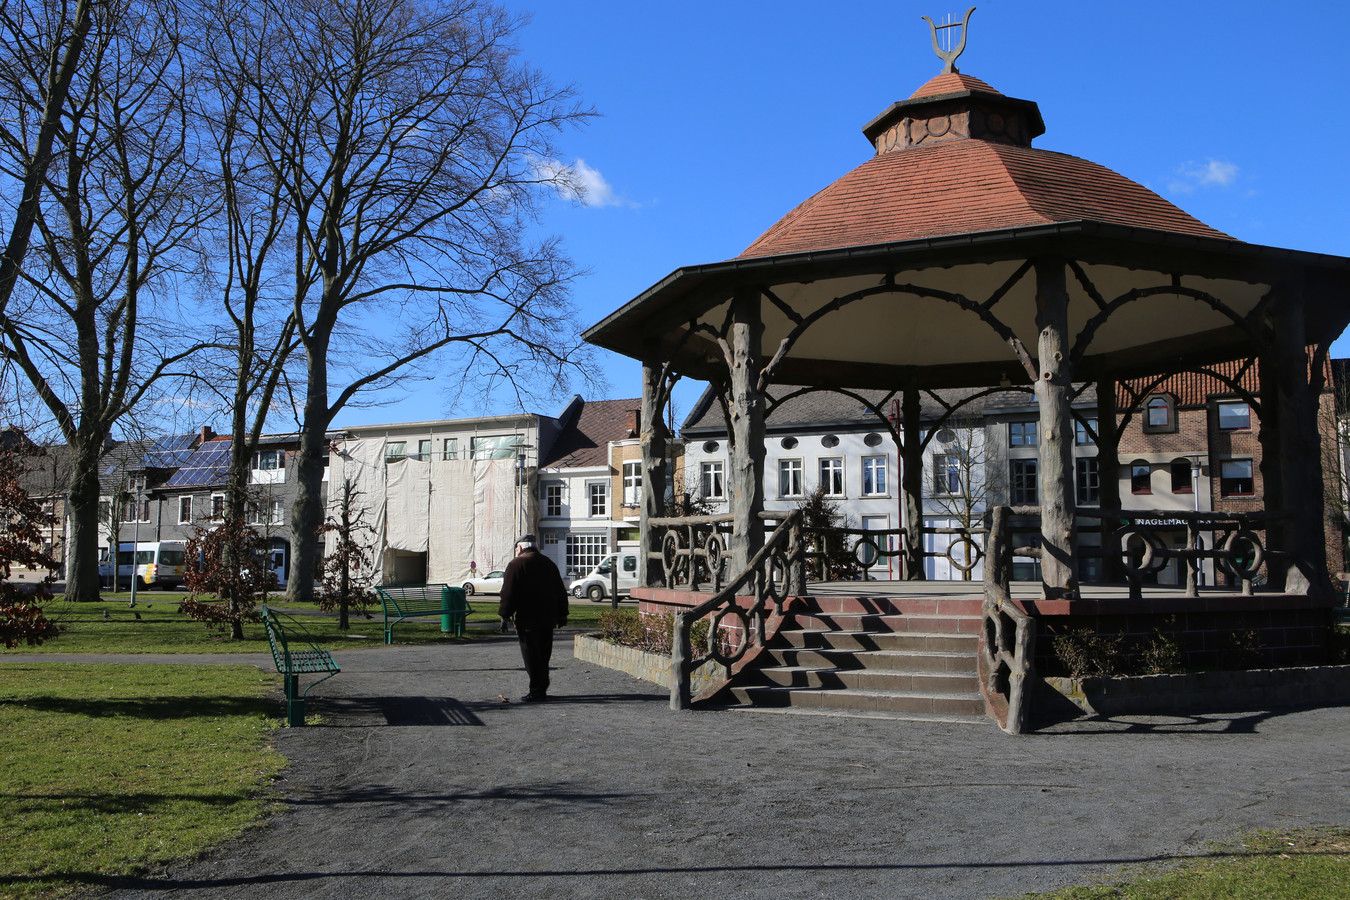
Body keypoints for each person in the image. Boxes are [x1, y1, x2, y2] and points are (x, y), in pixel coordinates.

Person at [497, 533, 568, 702]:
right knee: (544, 655)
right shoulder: (548, 563)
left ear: (520, 548)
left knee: (531, 656)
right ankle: (541, 688)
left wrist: (504, 615)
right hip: (548, 618)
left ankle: (537, 690)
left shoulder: (516, 564)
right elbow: (560, 590)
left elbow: (509, 593)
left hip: (527, 620)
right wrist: (562, 613)